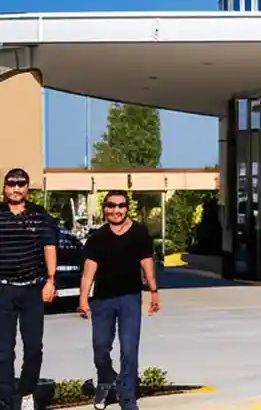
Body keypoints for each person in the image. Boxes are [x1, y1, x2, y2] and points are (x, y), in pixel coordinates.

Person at [77, 190, 160, 410]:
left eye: (121, 206)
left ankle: (127, 398)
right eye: (111, 206)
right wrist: (83, 299)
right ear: (105, 209)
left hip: (129, 299)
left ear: (127, 208)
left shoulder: (140, 234)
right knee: (101, 348)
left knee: (129, 348)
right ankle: (105, 379)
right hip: (103, 301)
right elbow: (88, 272)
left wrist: (154, 292)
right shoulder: (97, 238)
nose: (116, 210)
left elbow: (147, 264)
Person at [0, 168, 58, 410]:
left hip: (33, 289)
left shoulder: (39, 215)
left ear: (27, 188)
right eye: (11, 184)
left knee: (33, 346)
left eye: (20, 184)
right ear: (4, 188)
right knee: (3, 350)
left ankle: (25, 393)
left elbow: (49, 247)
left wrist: (51, 280)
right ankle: (4, 399)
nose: (16, 189)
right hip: (3, 290)